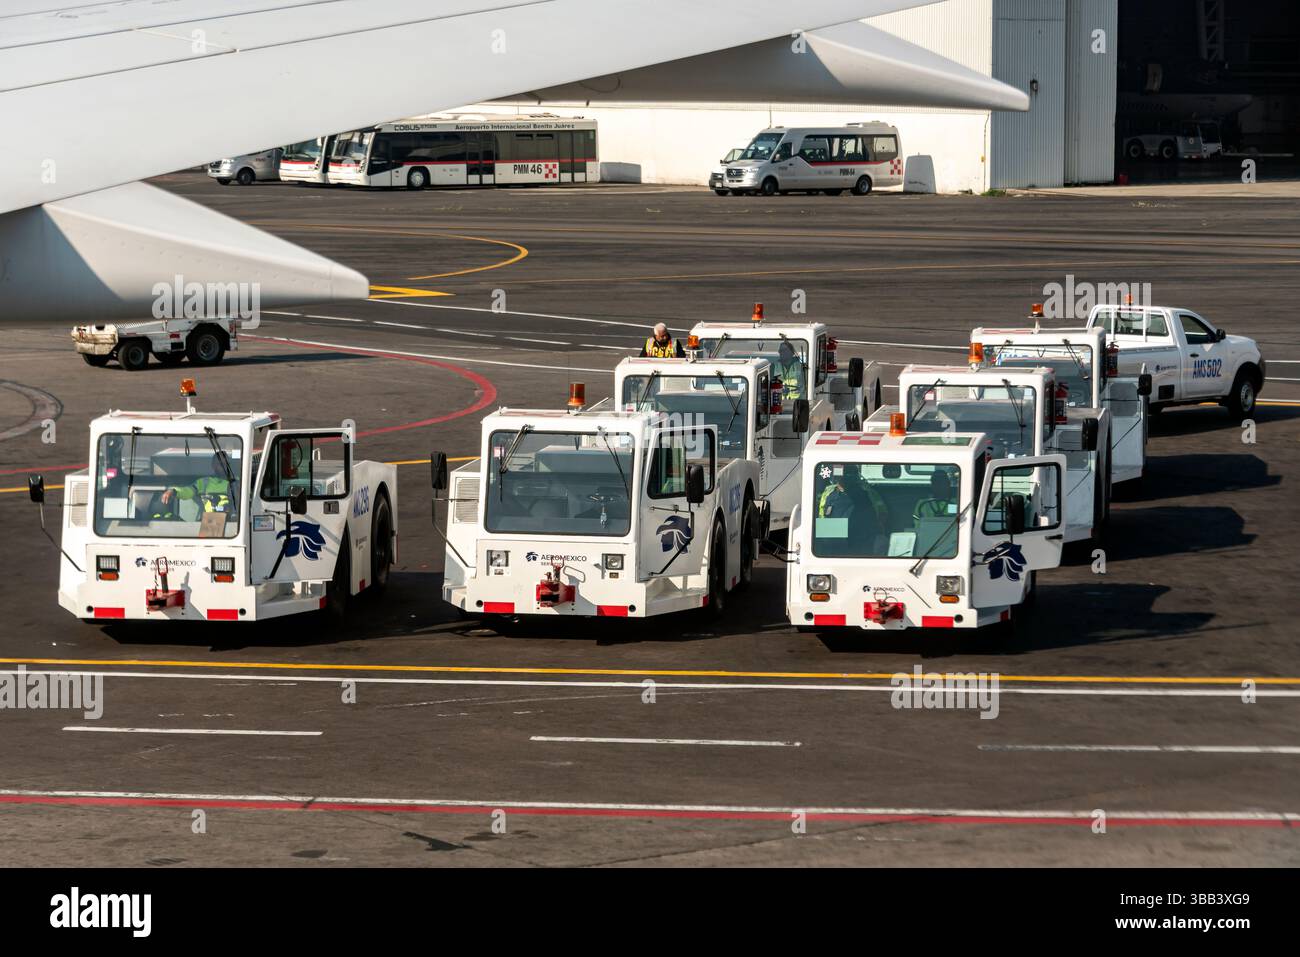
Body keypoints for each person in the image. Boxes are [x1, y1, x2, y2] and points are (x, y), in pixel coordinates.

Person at [158, 453, 236, 518]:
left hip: (231, 522)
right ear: (213, 465)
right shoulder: (204, 482)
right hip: (207, 521)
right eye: (219, 463)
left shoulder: (237, 482)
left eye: (225, 463)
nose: (223, 465)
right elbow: (188, 491)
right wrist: (173, 491)